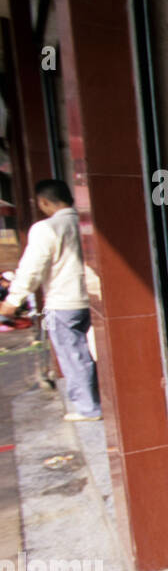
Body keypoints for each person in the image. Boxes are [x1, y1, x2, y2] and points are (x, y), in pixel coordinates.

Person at [0, 180, 101, 420]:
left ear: (44, 202)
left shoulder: (46, 228)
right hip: (94, 299)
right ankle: (95, 399)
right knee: (87, 352)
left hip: (64, 301)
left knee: (72, 354)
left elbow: (32, 268)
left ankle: (89, 408)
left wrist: (13, 300)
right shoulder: (87, 222)